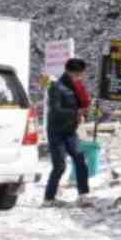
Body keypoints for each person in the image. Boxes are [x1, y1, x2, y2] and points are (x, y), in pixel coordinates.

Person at [43, 58, 93, 205]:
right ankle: (48, 198)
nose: (80, 77)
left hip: (70, 130)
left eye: (81, 74)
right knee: (59, 166)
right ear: (69, 72)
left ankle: (83, 195)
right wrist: (76, 112)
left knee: (80, 161)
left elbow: (82, 103)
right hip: (56, 131)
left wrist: (84, 112)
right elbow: (56, 110)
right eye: (77, 74)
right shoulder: (56, 87)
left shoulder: (77, 86)